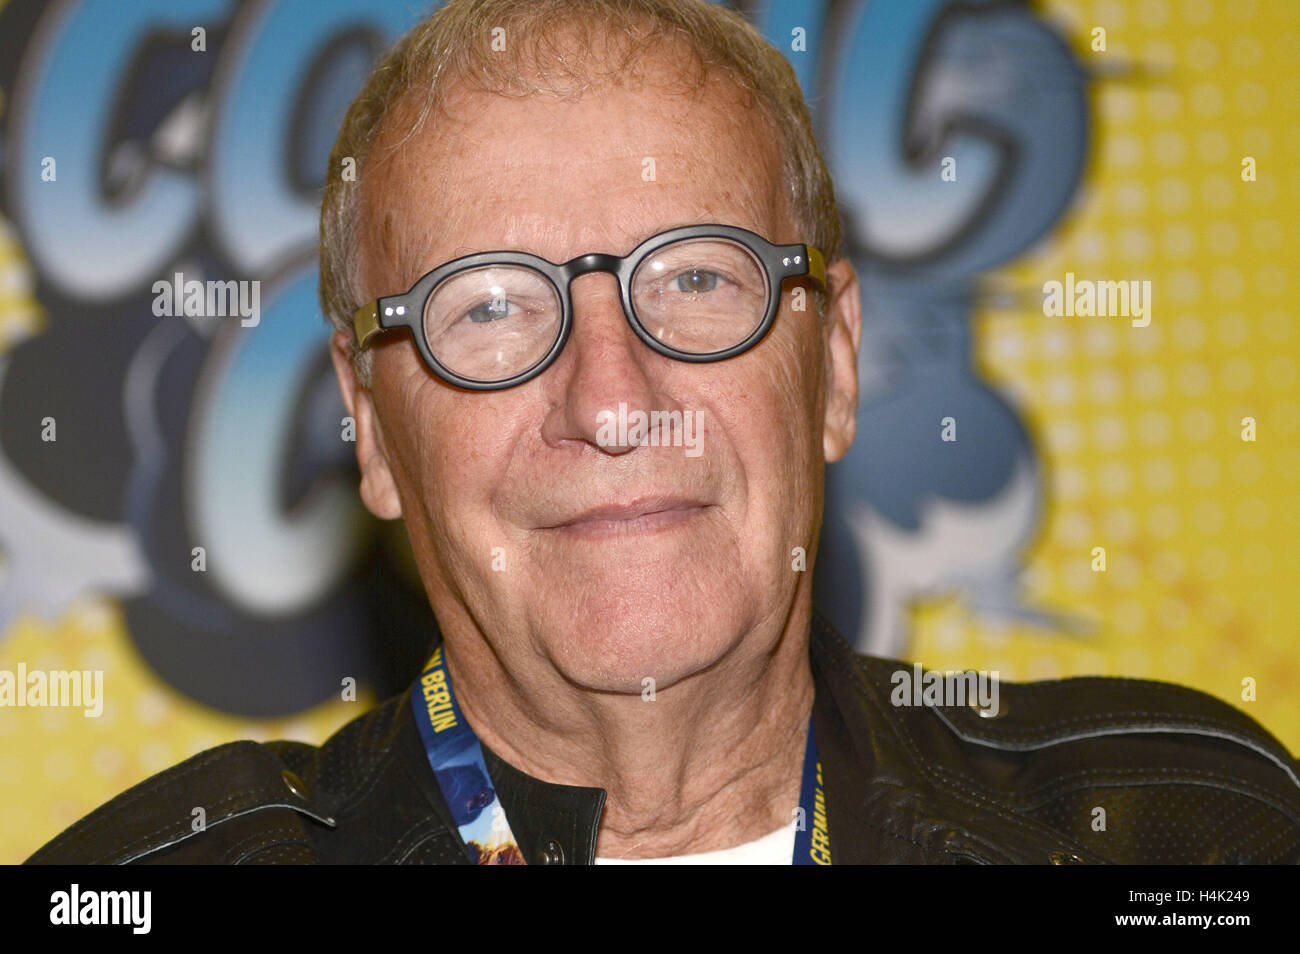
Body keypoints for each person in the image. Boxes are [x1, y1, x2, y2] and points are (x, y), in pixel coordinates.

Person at [28, 0, 1300, 865]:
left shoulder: (1182, 822)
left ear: (837, 363)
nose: (609, 396)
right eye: (489, 306)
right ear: (369, 427)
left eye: (695, 278)